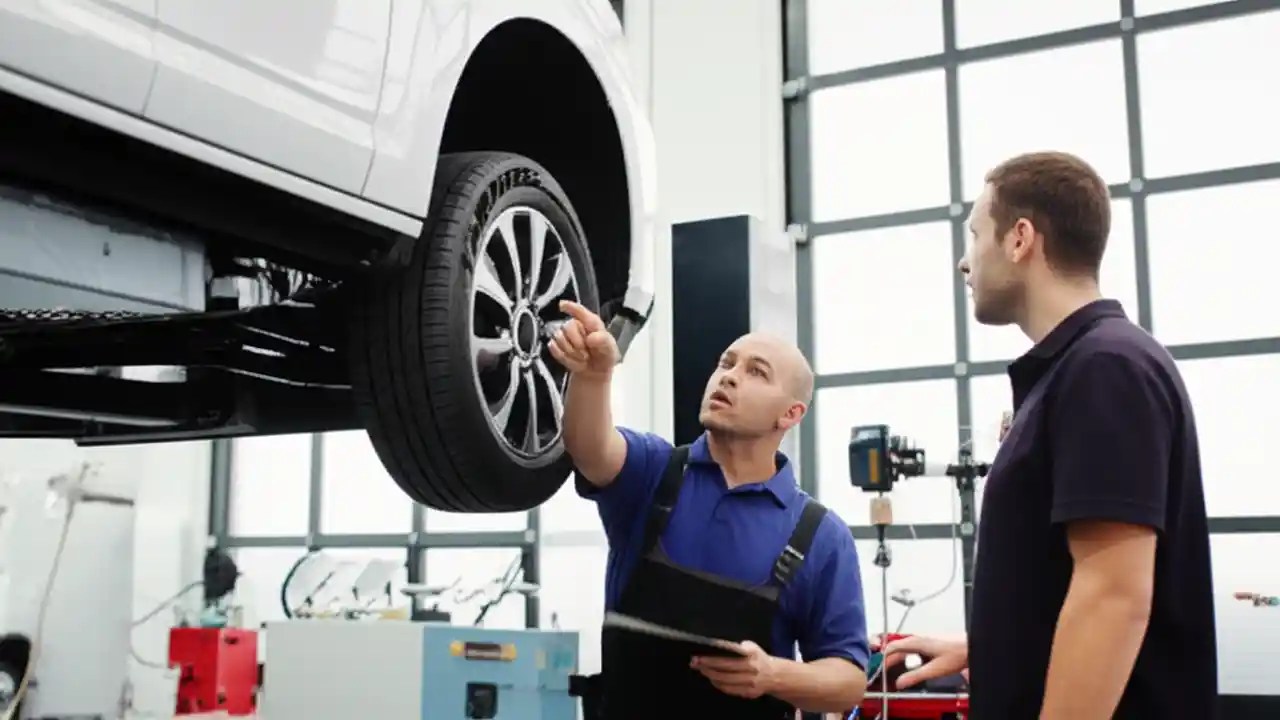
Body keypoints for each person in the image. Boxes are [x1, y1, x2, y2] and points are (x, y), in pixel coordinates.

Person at [880, 151, 1217, 718]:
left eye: (973, 235)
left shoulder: (1105, 367)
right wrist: (995, 651)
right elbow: (1072, 584)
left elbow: (1113, 596)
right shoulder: (1081, 369)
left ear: (1020, 239)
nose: (964, 263)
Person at [549, 299, 868, 719]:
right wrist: (593, 375)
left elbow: (848, 681)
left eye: (756, 372)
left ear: (791, 414)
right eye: (726, 363)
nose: (729, 377)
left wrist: (773, 675)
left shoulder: (820, 535)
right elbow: (590, 448)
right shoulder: (653, 472)